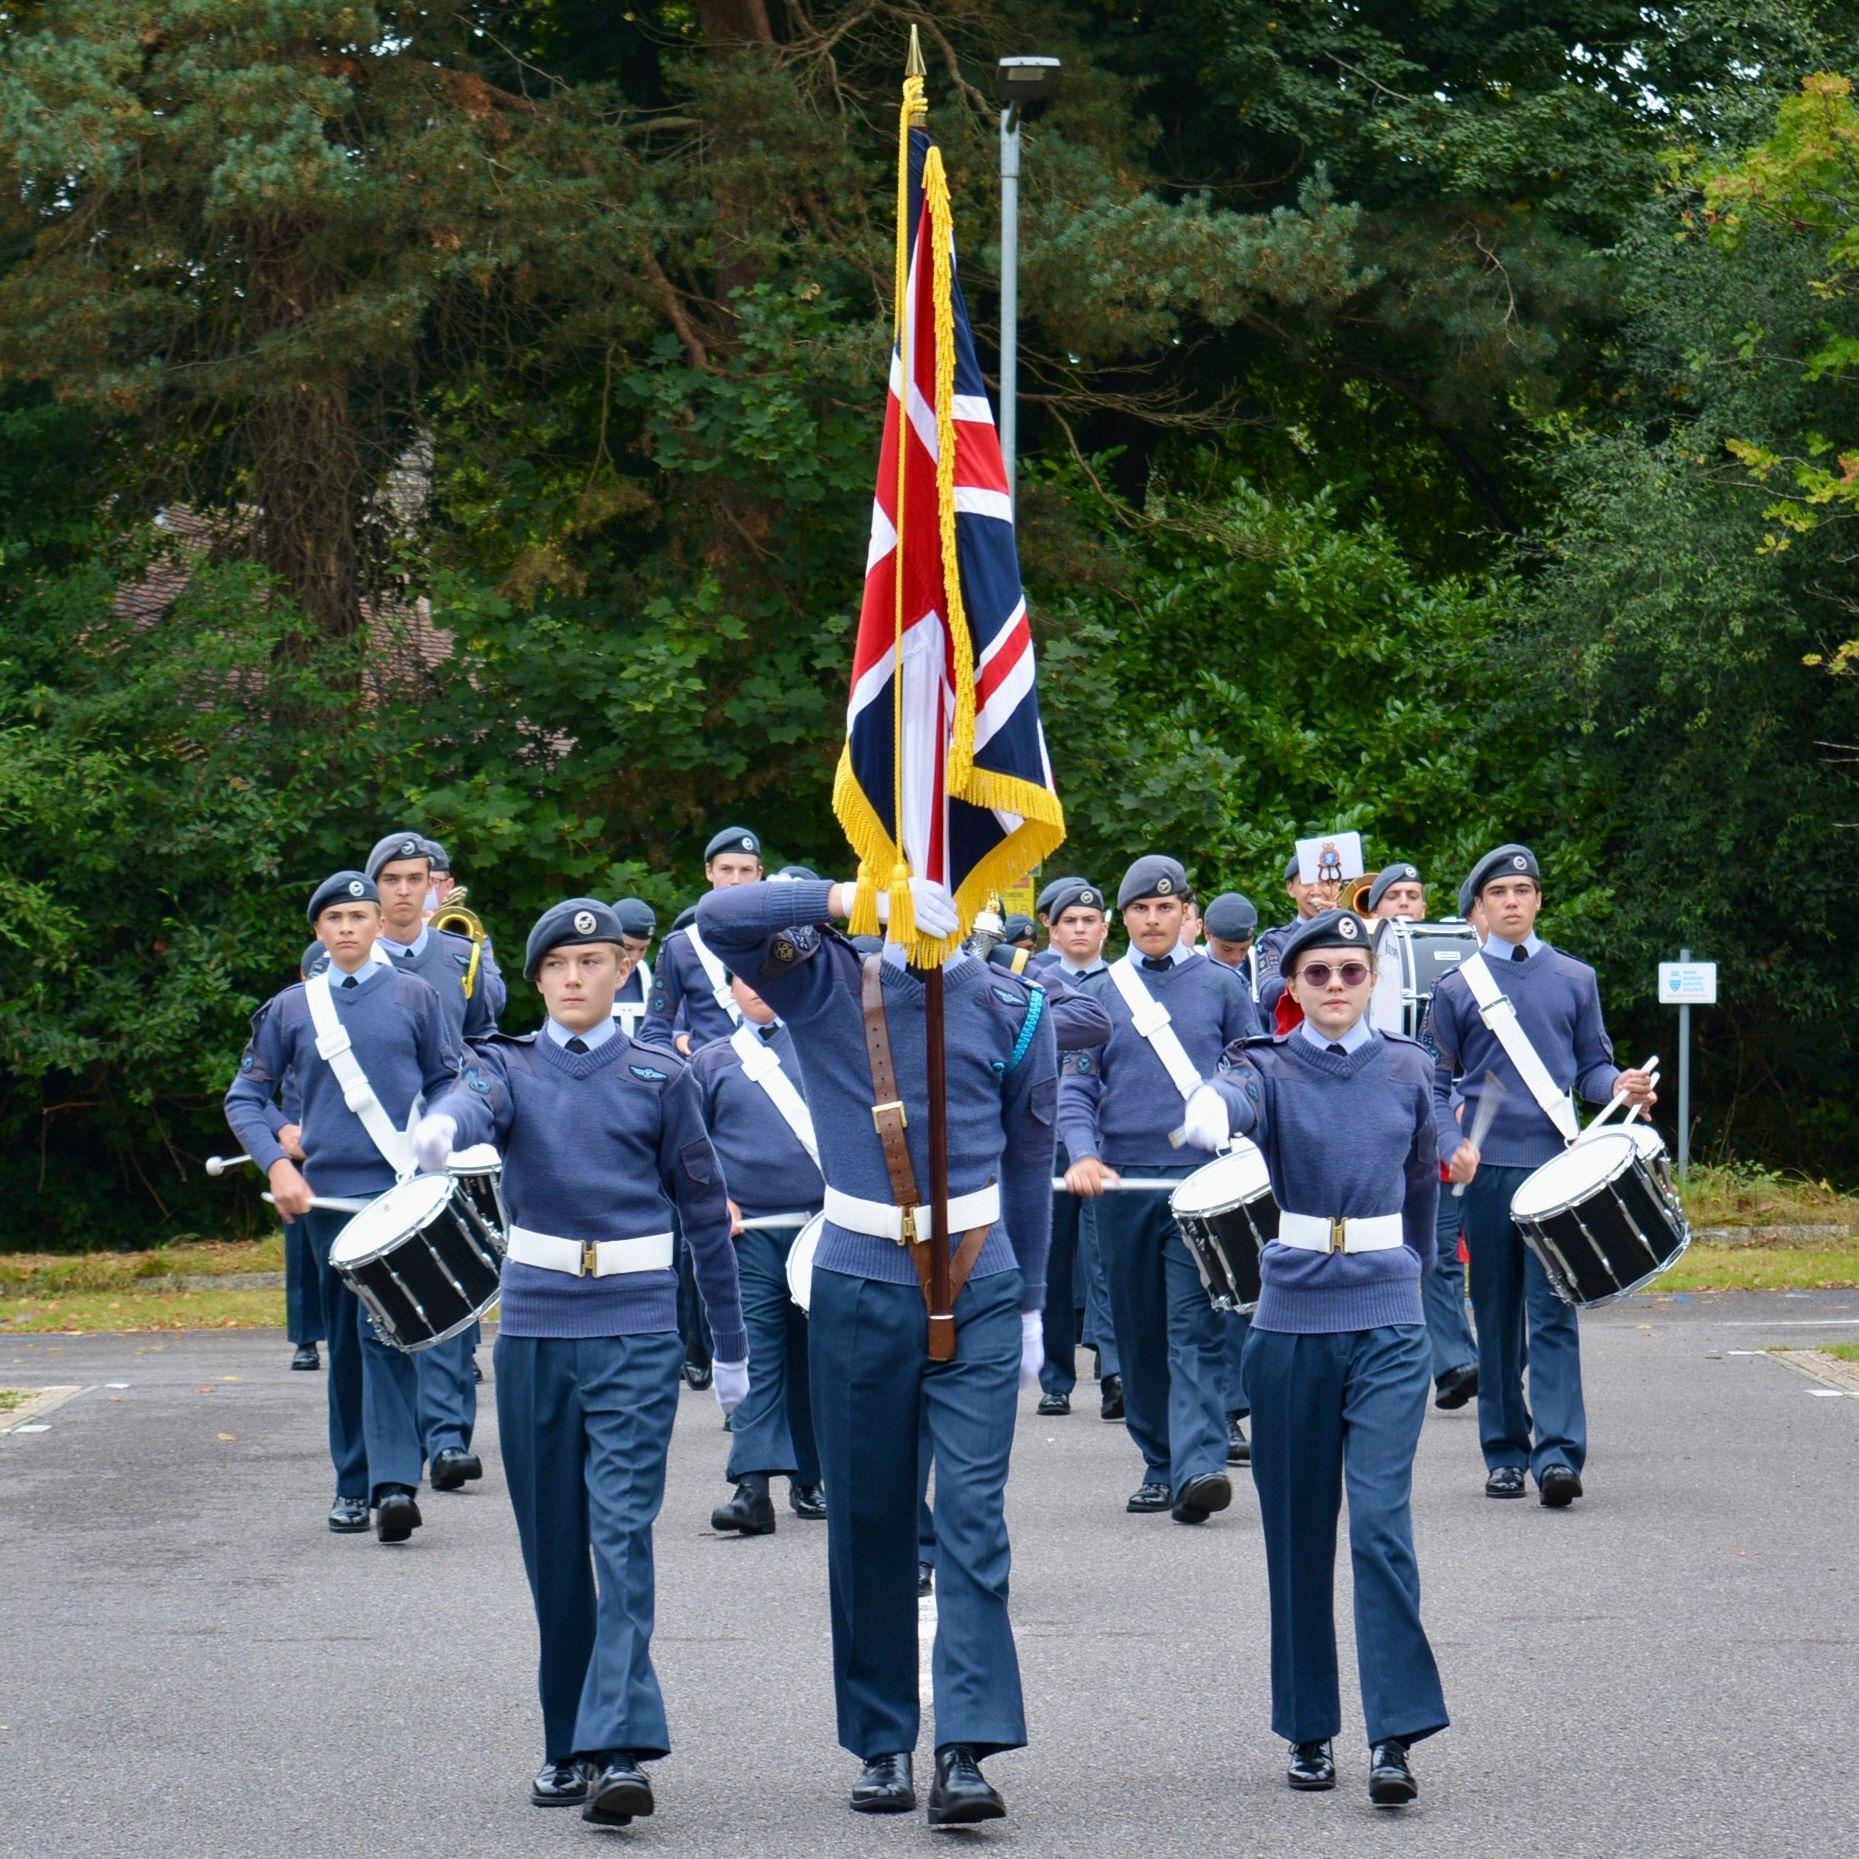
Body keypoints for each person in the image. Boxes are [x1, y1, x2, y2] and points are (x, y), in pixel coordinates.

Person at [698, 871, 1055, 1827]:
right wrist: (853, 899)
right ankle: (881, 1740)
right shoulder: (824, 981)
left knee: (972, 1514)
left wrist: (1032, 1304)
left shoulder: (1017, 1006)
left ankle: (967, 1745)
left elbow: (1029, 1162)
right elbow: (721, 918)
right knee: (868, 1515)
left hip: (978, 1278)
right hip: (860, 1274)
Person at [412, 899, 746, 1828]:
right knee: (553, 1544)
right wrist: (443, 1126)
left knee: (621, 1533)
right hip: (534, 1330)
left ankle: (621, 1746)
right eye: (556, 963)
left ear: (620, 971)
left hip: (634, 1327)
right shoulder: (508, 1065)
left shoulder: (660, 1074)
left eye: (590, 961)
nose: (572, 977)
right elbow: (473, 1101)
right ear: (537, 978)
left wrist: (729, 1346)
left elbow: (705, 1213)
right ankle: (569, 1741)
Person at [1179, 907, 1447, 1807]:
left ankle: (1393, 1734)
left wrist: (1410, 1278)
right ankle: (1306, 1726)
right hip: (1291, 1318)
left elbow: (1421, 1187)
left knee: (1379, 1525)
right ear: (1291, 986)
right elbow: (1235, 1098)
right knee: (1297, 1534)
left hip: (1386, 1319)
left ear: (1372, 980)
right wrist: (1209, 1107)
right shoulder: (1265, 1064)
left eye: (1351, 970)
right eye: (1318, 973)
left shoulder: (1409, 1067)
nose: (1336, 985)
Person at [224, 871, 455, 1541]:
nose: (348, 928)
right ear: (318, 931)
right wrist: (277, 1164)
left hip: (402, 1194)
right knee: (350, 1348)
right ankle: (354, 1484)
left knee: (386, 1334)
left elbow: (450, 1079)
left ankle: (392, 1486)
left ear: (380, 924)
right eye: (335, 919)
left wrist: (443, 1132)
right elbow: (245, 1097)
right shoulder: (291, 1009)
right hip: (328, 1202)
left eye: (359, 916)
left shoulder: (416, 995)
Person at [1424, 844, 1655, 1505]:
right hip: (1488, 1172)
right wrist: (1450, 1143)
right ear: (1480, 906)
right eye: (1499, 893)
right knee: (1497, 1317)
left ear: (1538, 900)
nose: (1512, 901)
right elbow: (1432, 1085)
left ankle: (1557, 1455)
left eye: (1522, 890)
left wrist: (1620, 1085)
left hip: (1556, 1169)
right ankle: (1503, 1451)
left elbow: (1590, 1070)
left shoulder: (1575, 978)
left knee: (1554, 1312)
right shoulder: (1456, 988)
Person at [1059, 856, 1261, 1521]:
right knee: (1138, 1333)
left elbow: (1253, 1068)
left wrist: (1226, 1101)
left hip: (1201, 1185)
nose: (1153, 918)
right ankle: (1159, 1461)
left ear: (1186, 915)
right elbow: (1076, 1086)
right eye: (1141, 908)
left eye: (1165, 908)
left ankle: (1200, 1465)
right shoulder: (1097, 993)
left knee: (1193, 1325)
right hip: (1122, 1185)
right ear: (1123, 918)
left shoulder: (1222, 985)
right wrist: (1083, 1153)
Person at [365, 830, 505, 1492]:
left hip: (443, 1141)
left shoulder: (459, 953)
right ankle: (392, 1453)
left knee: (447, 1283)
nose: (403, 891)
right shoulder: (342, 956)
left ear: (433, 886)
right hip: (371, 1147)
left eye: (414, 879)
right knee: (384, 1303)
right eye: (391, 879)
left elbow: (482, 1039)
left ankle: (448, 1441)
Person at [691, 972, 826, 1534]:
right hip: (750, 1235)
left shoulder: (825, 1047)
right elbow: (689, 1145)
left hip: (824, 1228)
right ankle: (752, 1487)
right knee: (756, 1354)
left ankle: (812, 1477)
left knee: (817, 1360)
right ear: (729, 989)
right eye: (744, 977)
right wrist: (714, 1198)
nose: (758, 987)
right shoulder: (711, 1062)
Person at [1028, 881, 1122, 1420]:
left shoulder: (1123, 982)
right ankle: (1054, 1377)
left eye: (1090, 920)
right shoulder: (1032, 979)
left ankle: (1114, 1372)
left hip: (1105, 1136)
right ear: (1053, 928)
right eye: (1071, 921)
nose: (1081, 928)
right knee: (1051, 1259)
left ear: (1105, 928)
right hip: (1046, 1138)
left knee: (1105, 1259)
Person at [641, 826, 765, 1057]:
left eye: (745, 870)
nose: (736, 880)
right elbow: (655, 1031)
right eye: (726, 869)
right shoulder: (681, 946)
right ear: (709, 871)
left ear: (759, 874)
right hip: (706, 1074)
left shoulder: (783, 938)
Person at [1256, 852, 1343, 1016]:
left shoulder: (1355, 934)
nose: (1316, 891)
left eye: (1324, 882)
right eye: (1306, 883)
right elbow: (1268, 995)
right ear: (1290, 888)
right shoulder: (1274, 940)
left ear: (1337, 885)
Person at [611, 898, 657, 1039]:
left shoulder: (651, 983)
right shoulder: (584, 980)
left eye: (643, 949)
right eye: (628, 948)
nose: (635, 957)